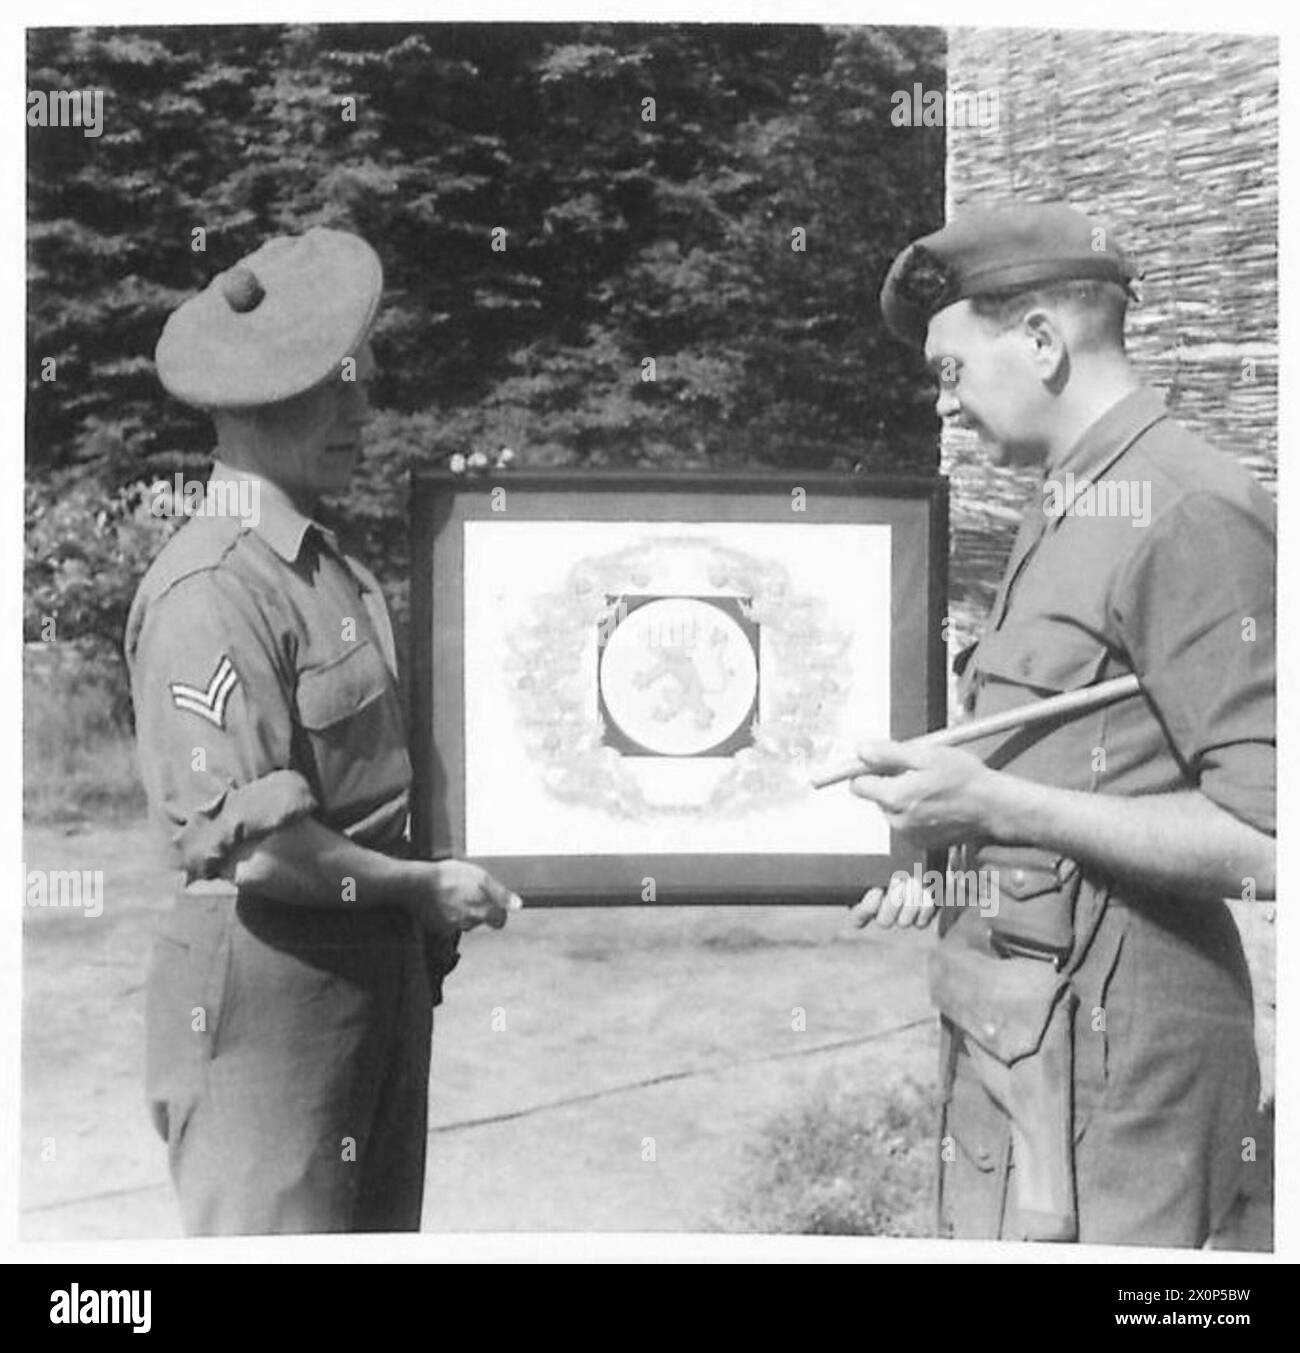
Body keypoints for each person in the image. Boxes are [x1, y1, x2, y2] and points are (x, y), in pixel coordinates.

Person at [849, 202, 1275, 1246]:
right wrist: (950, 849)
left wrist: (993, 800)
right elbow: (1093, 771)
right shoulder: (1074, 500)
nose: (943, 408)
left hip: (1122, 1068)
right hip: (1030, 1036)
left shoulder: (1186, 510)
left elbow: (1269, 842)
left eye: (951, 372)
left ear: (1039, 341)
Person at [125, 227, 521, 1235]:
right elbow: (255, 852)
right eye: (334, 386)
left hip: (368, 986)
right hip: (271, 1005)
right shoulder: (213, 587)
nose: (361, 409)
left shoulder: (320, 567)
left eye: (362, 380)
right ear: (253, 402)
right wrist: (425, 889)